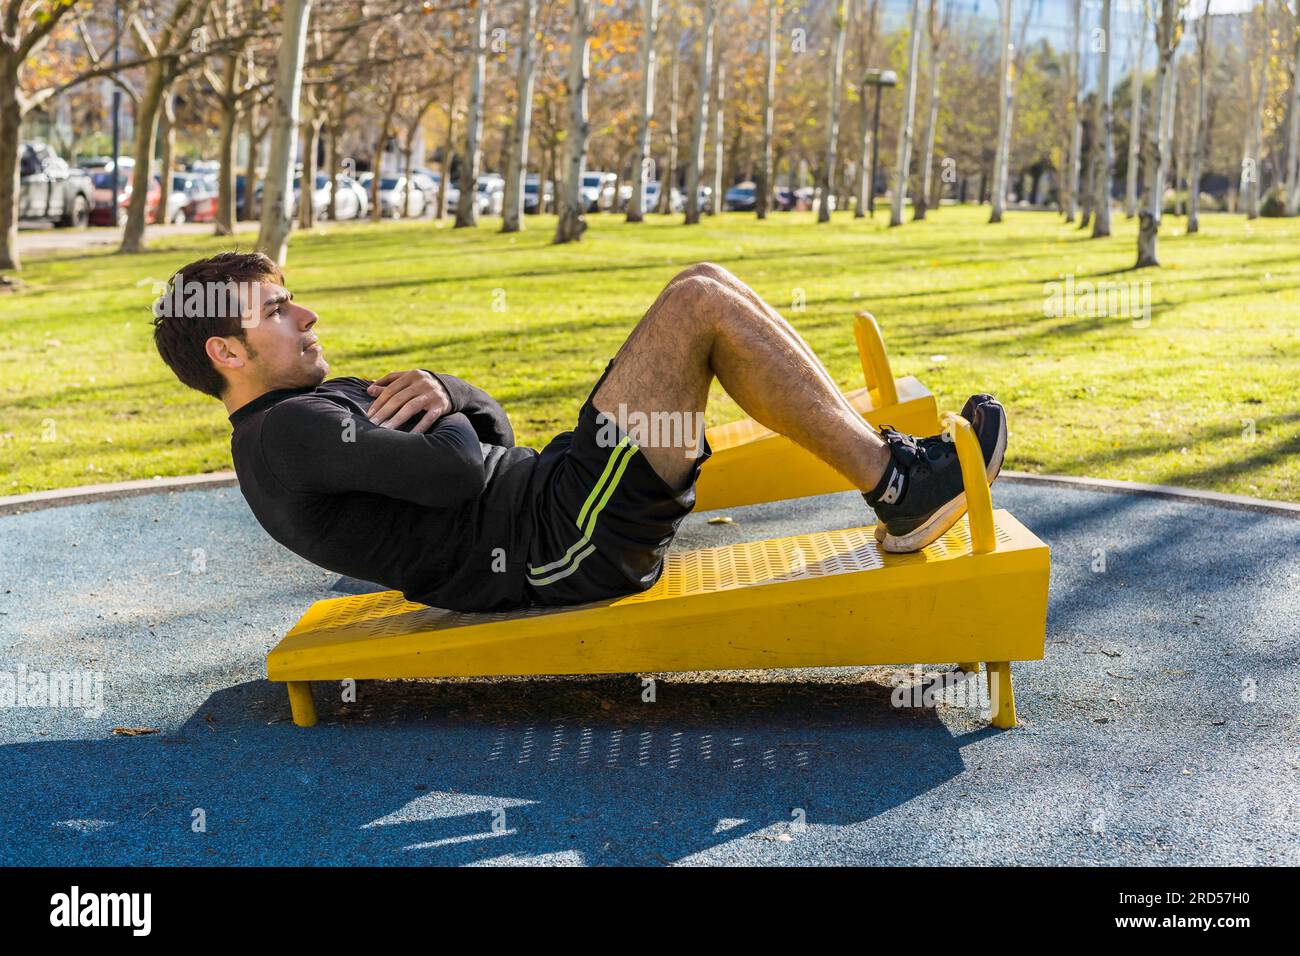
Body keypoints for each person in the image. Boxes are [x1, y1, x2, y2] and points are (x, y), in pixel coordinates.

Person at [152, 251, 1006, 613]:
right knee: (694, 305)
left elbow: (490, 427)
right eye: (277, 309)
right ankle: (897, 486)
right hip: (558, 547)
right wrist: (448, 412)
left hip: (558, 497)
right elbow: (457, 471)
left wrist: (447, 391)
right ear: (227, 350)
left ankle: (892, 470)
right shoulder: (285, 436)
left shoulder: (308, 407)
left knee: (701, 285)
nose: (305, 313)